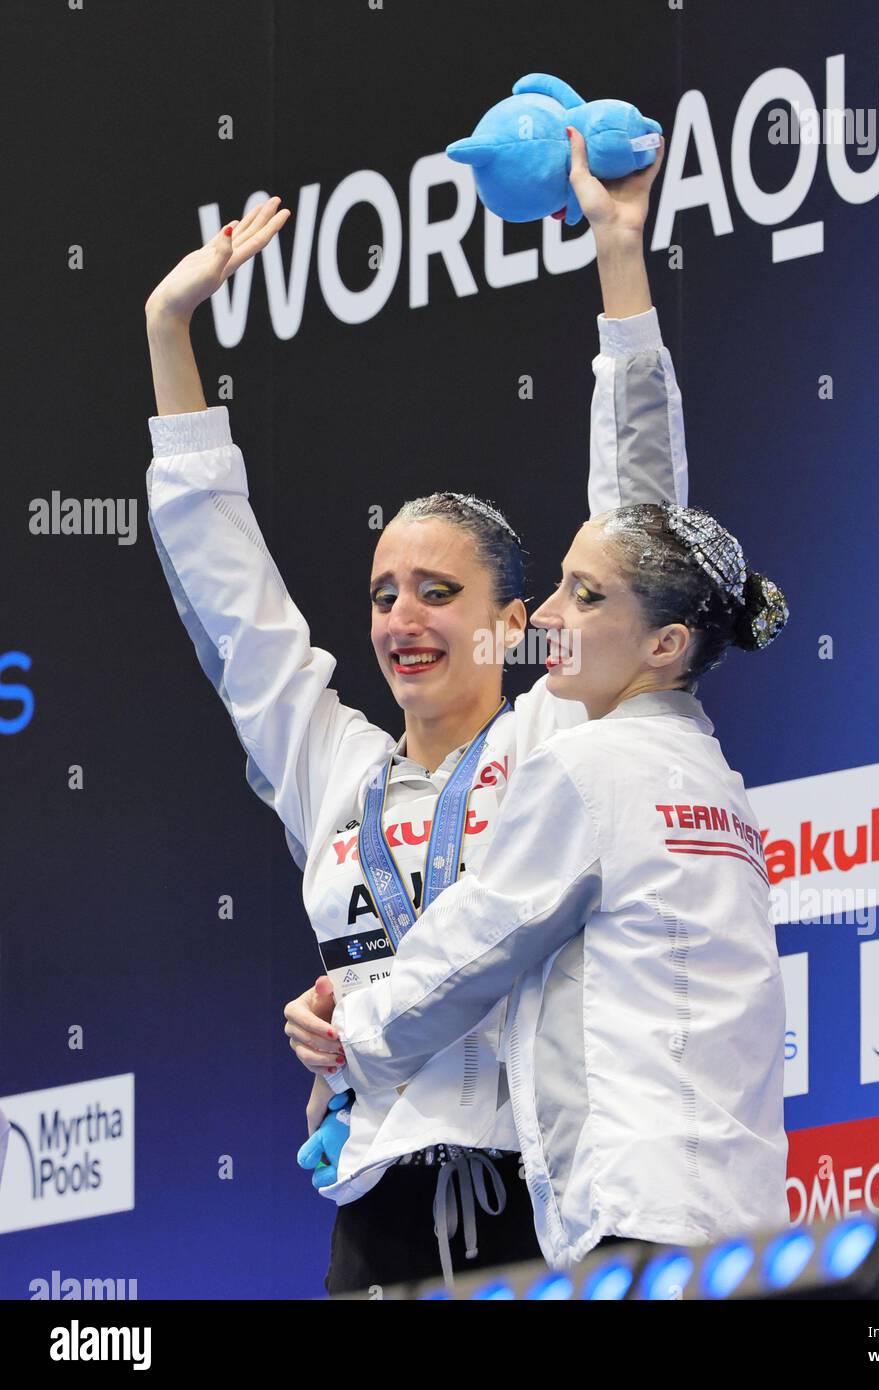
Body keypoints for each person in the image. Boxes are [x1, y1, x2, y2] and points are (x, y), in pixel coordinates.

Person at [145, 129, 687, 1292]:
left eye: (440, 592)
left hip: (546, 1204)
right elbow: (238, 610)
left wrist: (620, 262)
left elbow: (645, 532)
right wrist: (168, 337)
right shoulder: (334, 771)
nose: (402, 617)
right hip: (376, 1219)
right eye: (385, 592)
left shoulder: (561, 739)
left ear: (513, 618)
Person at [323, 500, 792, 1270]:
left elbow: (468, 952)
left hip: (631, 1214)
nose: (545, 612)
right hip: (740, 1226)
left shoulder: (589, 767)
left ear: (666, 644)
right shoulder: (719, 783)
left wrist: (345, 1042)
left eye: (584, 593)